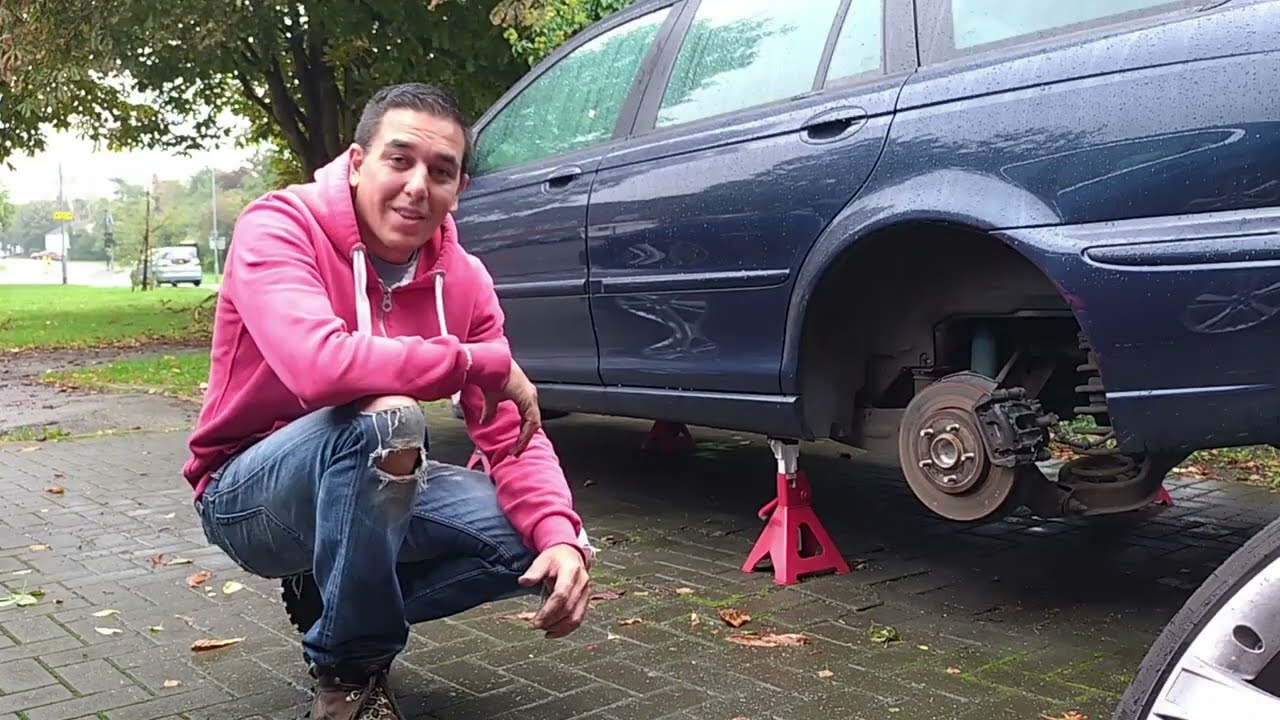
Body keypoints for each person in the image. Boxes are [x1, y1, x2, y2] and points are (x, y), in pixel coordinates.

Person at [182, 83, 595, 720]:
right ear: (356, 163)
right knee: (389, 420)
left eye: (441, 171)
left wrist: (561, 537)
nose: (417, 185)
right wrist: (473, 361)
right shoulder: (279, 226)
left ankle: (336, 603)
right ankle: (347, 677)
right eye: (399, 159)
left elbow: (510, 427)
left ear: (458, 190)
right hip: (248, 490)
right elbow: (320, 366)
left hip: (371, 479)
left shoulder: (464, 279)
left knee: (534, 540)